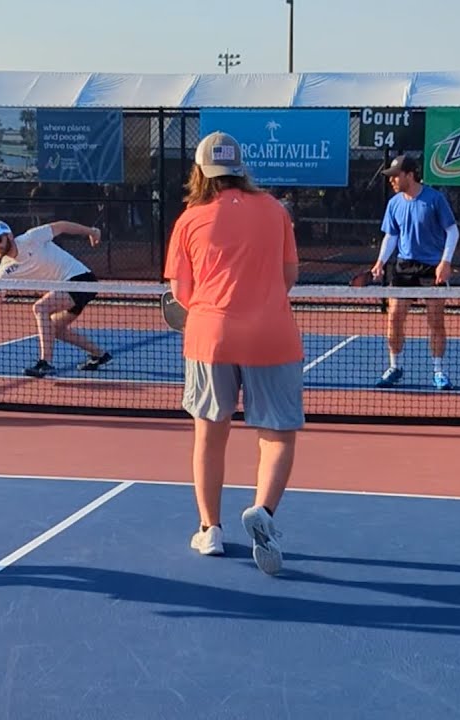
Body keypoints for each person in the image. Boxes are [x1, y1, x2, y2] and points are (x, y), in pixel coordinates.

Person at [164, 130, 302, 576]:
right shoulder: (277, 211)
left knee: (209, 434)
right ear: (240, 169)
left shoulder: (189, 219)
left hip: (210, 336)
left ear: (201, 172)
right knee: (277, 435)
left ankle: (210, 530)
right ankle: (263, 512)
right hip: (273, 335)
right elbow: (288, 276)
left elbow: (180, 293)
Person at [0, 219, 112, 378]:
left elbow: (62, 226)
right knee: (54, 329)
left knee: (40, 307)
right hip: (67, 288)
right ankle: (99, 354)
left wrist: (92, 231)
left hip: (81, 279)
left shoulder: (31, 238)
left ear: (9, 236)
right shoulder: (6, 270)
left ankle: (45, 363)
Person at [370, 154, 459, 391]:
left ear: (409, 175)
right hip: (404, 267)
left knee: (435, 321)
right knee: (394, 317)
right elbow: (392, 235)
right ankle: (394, 367)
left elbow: (452, 231)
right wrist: (380, 261)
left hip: (432, 267)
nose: (392, 181)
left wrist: (445, 262)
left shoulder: (435, 199)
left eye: (395, 176)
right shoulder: (394, 203)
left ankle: (438, 371)